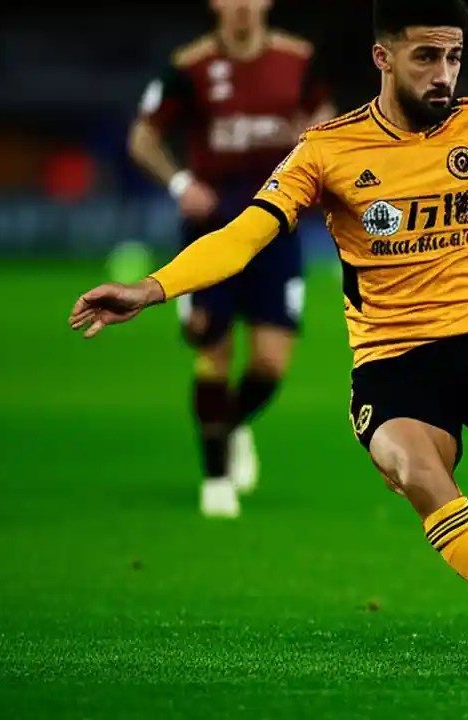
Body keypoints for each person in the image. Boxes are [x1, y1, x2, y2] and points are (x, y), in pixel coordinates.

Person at [72, 0, 468, 678]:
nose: (444, 74)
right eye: (426, 57)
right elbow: (244, 236)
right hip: (392, 362)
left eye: (453, 57)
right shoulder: (328, 150)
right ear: (382, 57)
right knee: (420, 473)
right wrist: (151, 288)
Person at [129, 0, 336, 517]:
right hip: (211, 224)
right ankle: (216, 478)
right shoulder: (189, 66)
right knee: (211, 344)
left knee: (270, 362)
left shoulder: (298, 59)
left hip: (276, 222)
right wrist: (181, 183)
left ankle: (233, 424)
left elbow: (326, 117)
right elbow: (143, 136)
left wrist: (311, 143)